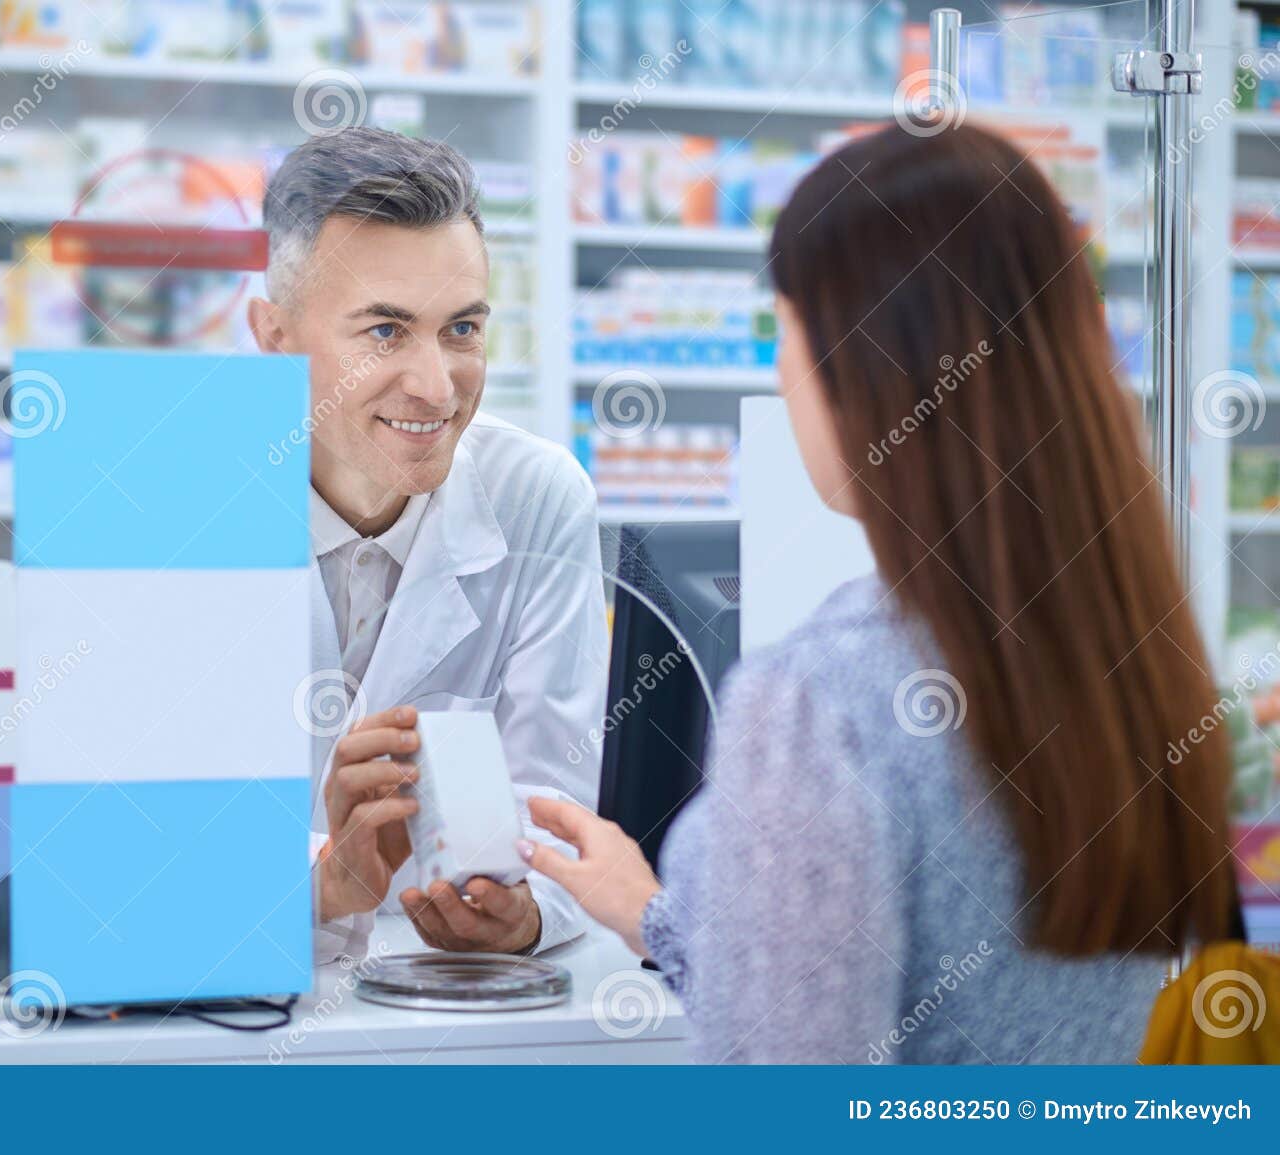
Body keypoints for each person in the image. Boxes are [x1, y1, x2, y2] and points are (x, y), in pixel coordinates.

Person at [521, 122, 1236, 1063]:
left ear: (865, 367)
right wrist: (665, 919)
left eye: (786, 329)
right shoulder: (1127, 645)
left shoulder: (819, 700)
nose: (781, 372)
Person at [248, 128, 607, 962]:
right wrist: (323, 881)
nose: (436, 386)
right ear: (274, 336)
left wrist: (525, 914)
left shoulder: (538, 497)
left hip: (440, 995)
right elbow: (126, 857)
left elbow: (555, 807)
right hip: (211, 1005)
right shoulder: (169, 503)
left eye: (462, 329)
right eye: (385, 331)